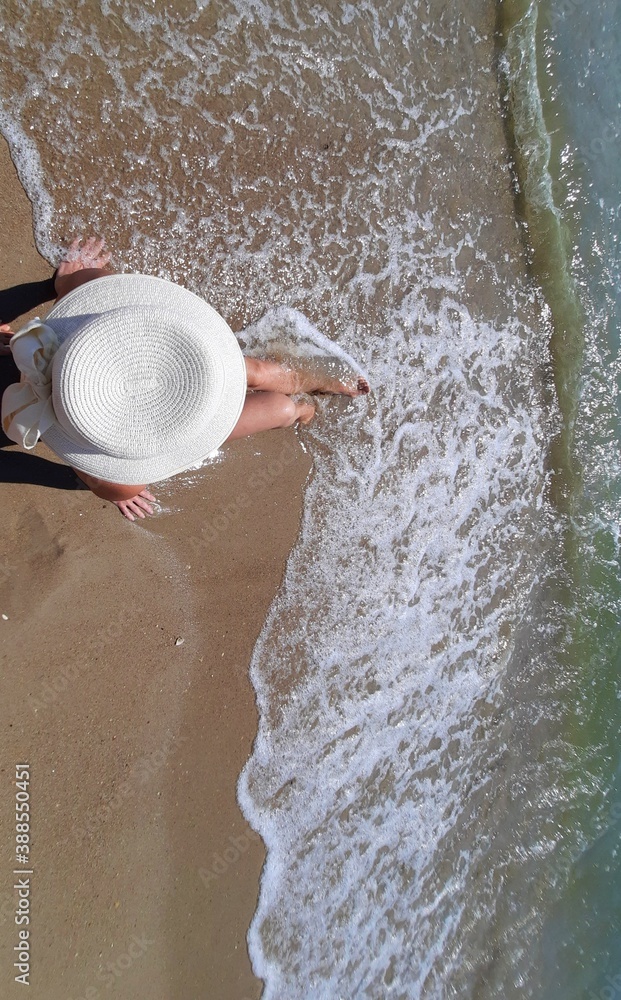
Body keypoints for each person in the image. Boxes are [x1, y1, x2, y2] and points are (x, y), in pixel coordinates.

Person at [1, 237, 369, 521]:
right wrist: (56, 286)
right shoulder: (73, 333)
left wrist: (96, 481)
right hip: (109, 355)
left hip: (89, 418)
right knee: (235, 372)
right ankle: (304, 379)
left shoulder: (100, 445)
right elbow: (88, 287)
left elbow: (14, 468)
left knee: (209, 420)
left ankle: (299, 411)